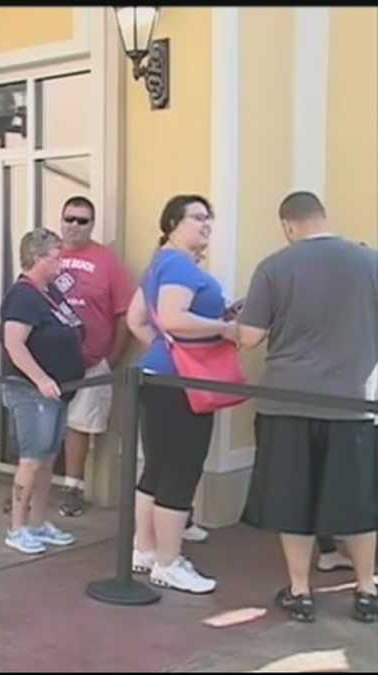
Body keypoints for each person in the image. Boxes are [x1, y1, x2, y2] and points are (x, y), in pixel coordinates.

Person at [236, 191, 377, 623]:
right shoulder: (370, 262)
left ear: (288, 225)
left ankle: (300, 591)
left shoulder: (275, 266)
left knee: (291, 499)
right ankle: (367, 590)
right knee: (358, 501)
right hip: (353, 402)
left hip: (287, 402)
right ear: (323, 217)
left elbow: (249, 338)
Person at [124, 194, 236, 595]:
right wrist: (222, 328)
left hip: (159, 378)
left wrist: (166, 347)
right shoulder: (178, 264)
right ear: (173, 223)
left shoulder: (161, 262)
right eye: (197, 217)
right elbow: (172, 318)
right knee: (180, 469)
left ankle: (146, 550)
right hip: (177, 385)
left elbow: (139, 319)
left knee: (156, 467)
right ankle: (169, 562)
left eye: (210, 217)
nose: (206, 224)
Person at [47, 197, 137, 517]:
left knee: (79, 427)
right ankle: (32, 487)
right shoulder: (48, 254)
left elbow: (126, 313)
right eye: (69, 218)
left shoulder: (107, 261)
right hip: (48, 361)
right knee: (42, 422)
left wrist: (111, 359)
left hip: (91, 360)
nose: (74, 226)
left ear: (92, 224)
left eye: (82, 221)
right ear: (61, 220)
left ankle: (72, 487)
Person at [0, 229, 84, 555]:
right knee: (32, 459)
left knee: (47, 459)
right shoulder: (22, 295)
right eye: (55, 257)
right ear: (37, 259)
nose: (61, 263)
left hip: (58, 391)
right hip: (32, 391)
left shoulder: (49, 292)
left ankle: (37, 523)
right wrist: (40, 378)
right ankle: (17, 527)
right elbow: (14, 343)